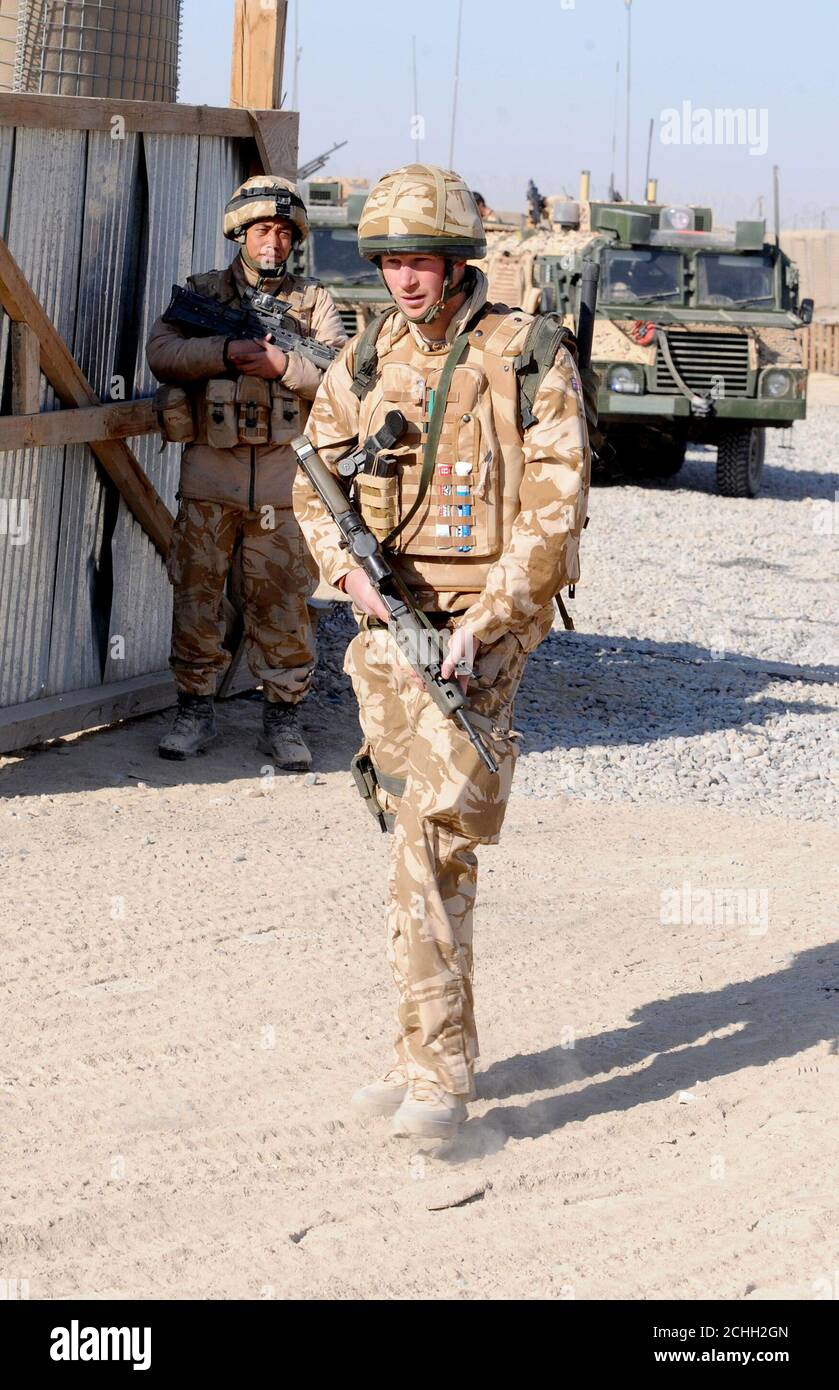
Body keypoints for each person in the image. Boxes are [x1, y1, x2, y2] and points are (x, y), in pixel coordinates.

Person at [292, 164, 592, 1139]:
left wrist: (482, 621)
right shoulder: (368, 356)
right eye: (389, 263)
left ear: (455, 260)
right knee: (410, 836)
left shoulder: (526, 356)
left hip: (480, 636)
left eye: (420, 261)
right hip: (386, 628)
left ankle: (434, 1068)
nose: (404, 282)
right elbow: (311, 478)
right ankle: (422, 1043)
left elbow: (552, 516)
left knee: (431, 835)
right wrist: (347, 574)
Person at [147, 176, 347, 768]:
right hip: (211, 480)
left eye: (285, 232)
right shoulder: (205, 295)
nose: (274, 242)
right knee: (198, 597)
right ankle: (194, 710)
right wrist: (224, 354)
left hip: (285, 488)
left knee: (283, 601)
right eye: (263, 229)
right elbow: (161, 352)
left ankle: (283, 719)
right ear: (240, 233)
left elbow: (341, 377)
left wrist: (282, 362)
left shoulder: (314, 304)